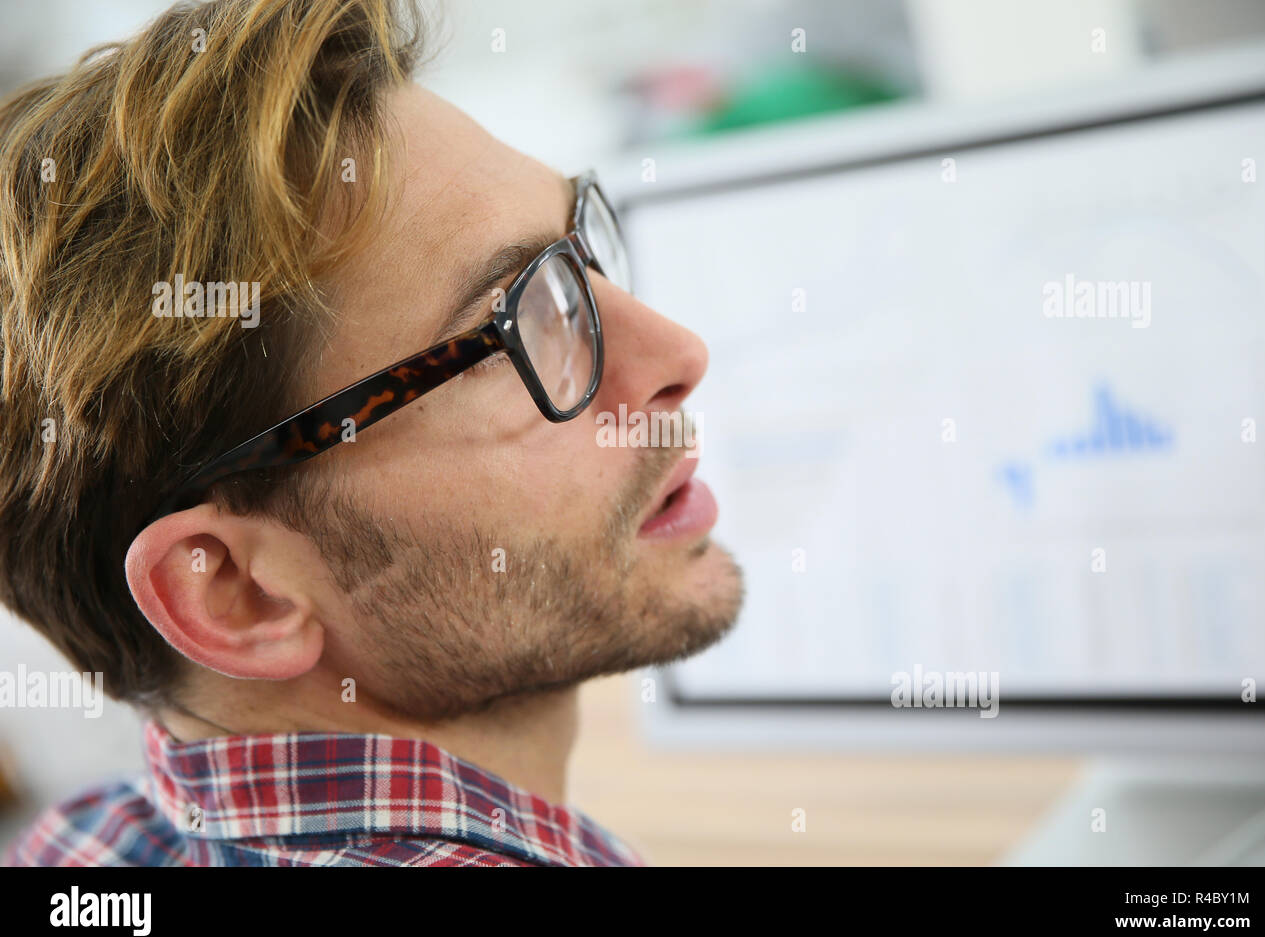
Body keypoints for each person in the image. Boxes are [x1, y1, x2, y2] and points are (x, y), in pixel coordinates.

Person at [0, 0, 743, 867]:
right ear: (240, 592)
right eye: (511, 326)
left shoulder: (87, 839)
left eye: (575, 257)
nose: (676, 353)